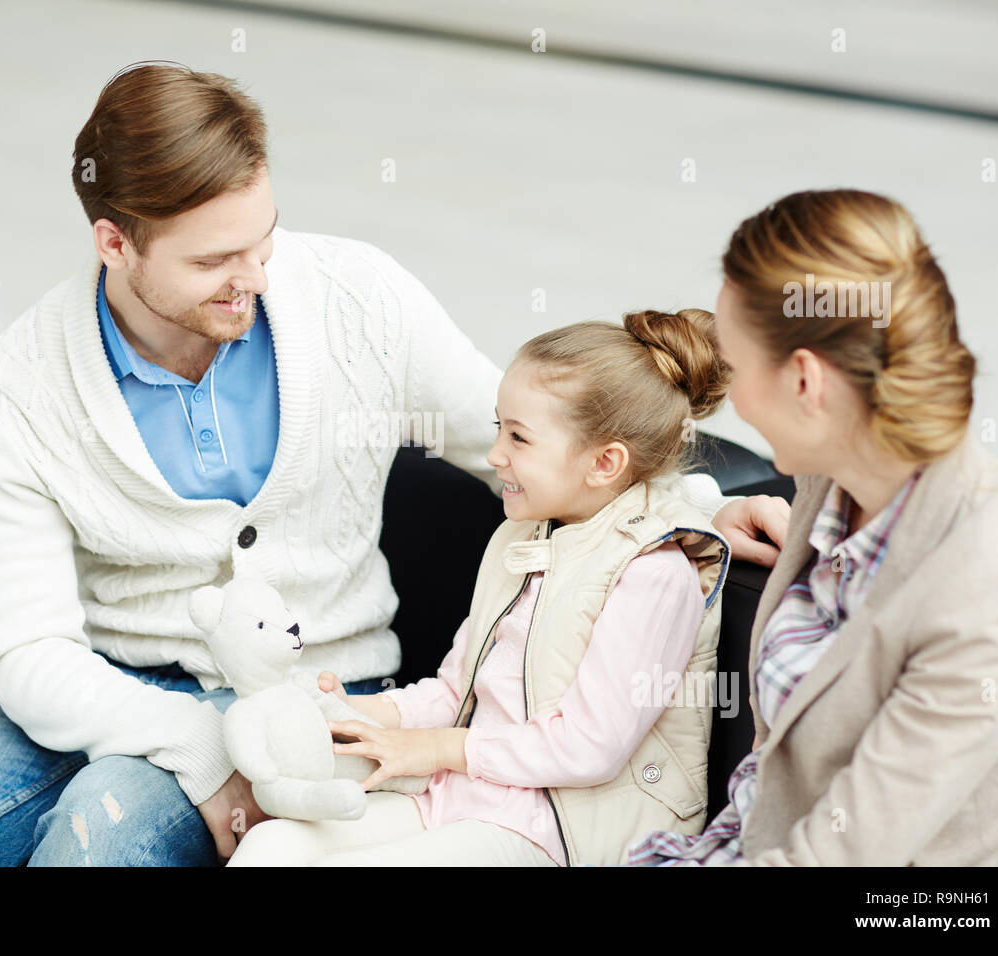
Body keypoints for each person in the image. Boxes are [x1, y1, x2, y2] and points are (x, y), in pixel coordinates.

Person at [0, 62, 781, 867]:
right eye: (214, 262)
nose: (256, 278)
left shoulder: (356, 297)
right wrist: (211, 746)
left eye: (263, 239)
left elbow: (546, 447)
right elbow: (30, 655)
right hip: (99, 676)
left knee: (96, 838)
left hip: (317, 693)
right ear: (114, 241)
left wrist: (684, 504)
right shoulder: (19, 381)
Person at [228, 309, 736, 866]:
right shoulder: (519, 537)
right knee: (271, 846)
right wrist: (356, 714)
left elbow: (590, 746)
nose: (495, 455)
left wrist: (438, 748)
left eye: (519, 437)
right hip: (468, 794)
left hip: (563, 833)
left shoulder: (653, 574)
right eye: (499, 427)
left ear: (605, 463)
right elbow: (458, 694)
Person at [628, 188, 998, 866]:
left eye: (736, 363)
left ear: (805, 384)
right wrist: (706, 520)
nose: (728, 395)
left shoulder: (991, 585)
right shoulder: (836, 473)